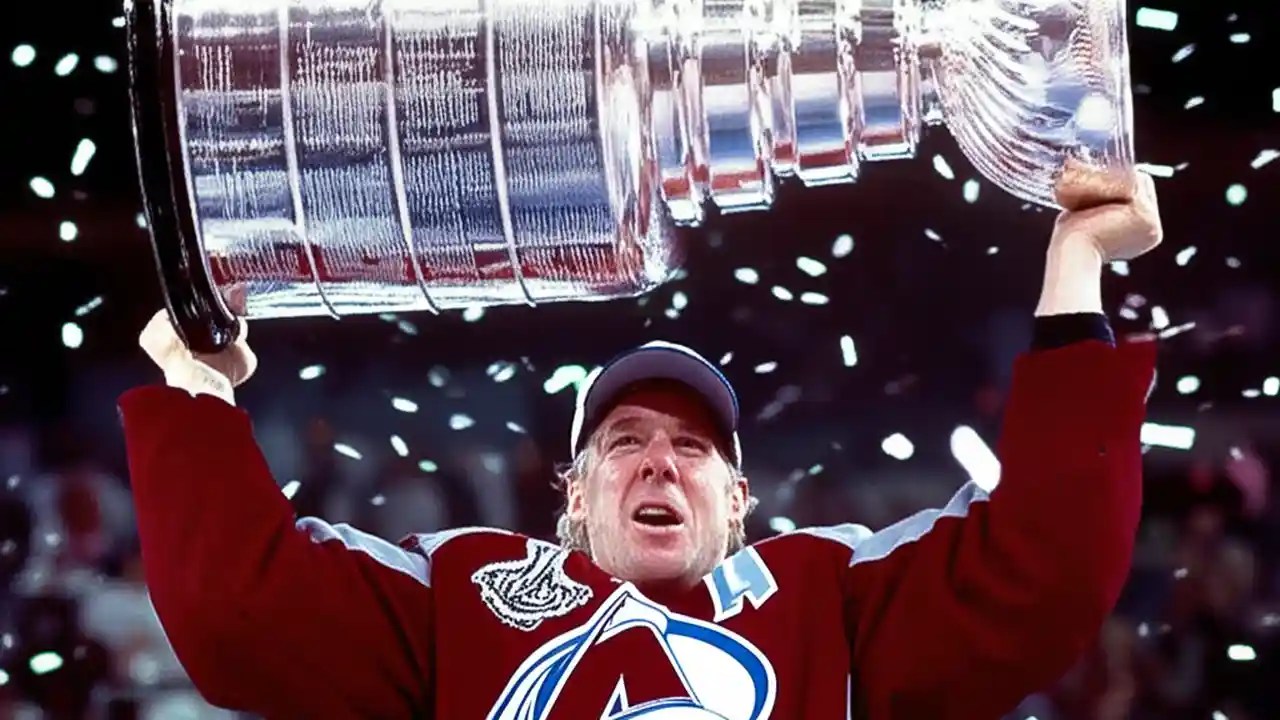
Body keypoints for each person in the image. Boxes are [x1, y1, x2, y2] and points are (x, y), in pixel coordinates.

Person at [120, 162, 1163, 719]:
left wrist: (1074, 265)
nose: (660, 459)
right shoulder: (466, 595)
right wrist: (196, 388)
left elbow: (1045, 567)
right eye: (623, 442)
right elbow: (240, 616)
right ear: (572, 498)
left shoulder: (824, 600)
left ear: (738, 503)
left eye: (694, 448)